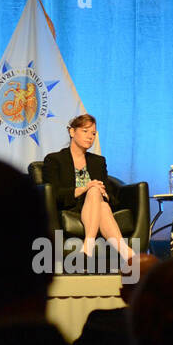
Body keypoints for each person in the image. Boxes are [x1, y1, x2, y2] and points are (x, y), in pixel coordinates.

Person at [40, 113, 134, 264]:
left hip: (96, 203)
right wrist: (86, 188)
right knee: (95, 193)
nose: (90, 137)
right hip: (71, 205)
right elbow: (54, 193)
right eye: (85, 131)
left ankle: (88, 245)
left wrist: (103, 192)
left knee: (99, 196)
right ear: (72, 132)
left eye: (93, 133)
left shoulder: (98, 161)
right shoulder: (54, 159)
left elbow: (109, 192)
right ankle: (126, 252)